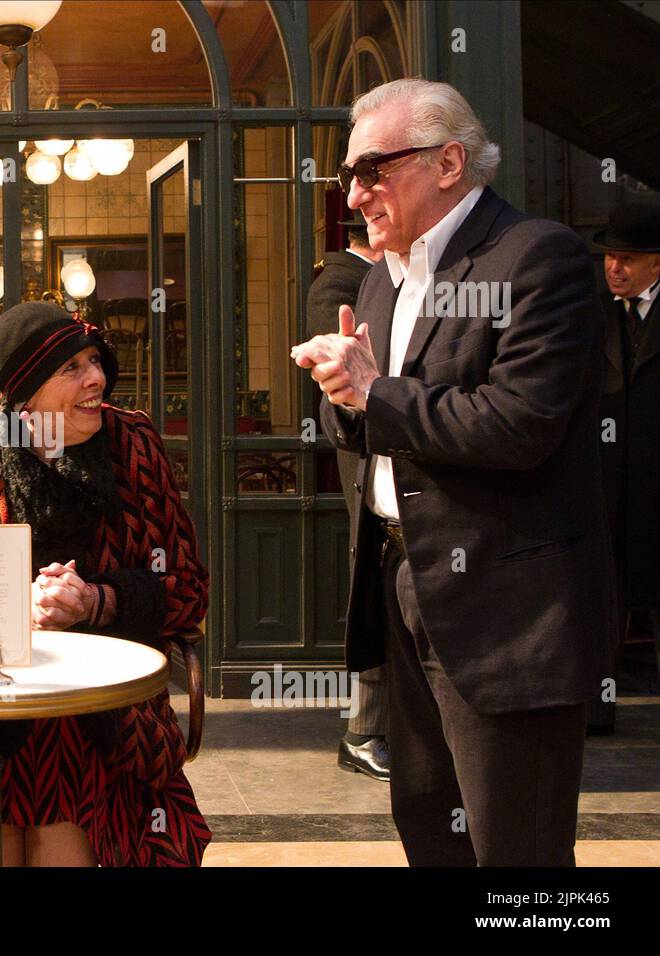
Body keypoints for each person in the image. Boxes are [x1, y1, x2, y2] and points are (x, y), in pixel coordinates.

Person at [291, 79, 613, 866]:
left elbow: (521, 424)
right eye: (347, 176)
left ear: (449, 161)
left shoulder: (540, 257)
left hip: (508, 609)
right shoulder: (380, 277)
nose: (356, 193)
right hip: (404, 584)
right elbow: (376, 423)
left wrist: (375, 392)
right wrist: (345, 397)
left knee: (519, 852)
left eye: (373, 169)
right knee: (430, 825)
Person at [0, 301, 211, 867]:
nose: (97, 378)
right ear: (24, 394)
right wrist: (5, 610)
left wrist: (99, 600)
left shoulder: (133, 444)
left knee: (61, 815)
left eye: (95, 360)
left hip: (105, 702)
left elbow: (187, 589)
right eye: (71, 368)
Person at [307, 213, 390, 782]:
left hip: (393, 453)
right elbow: (341, 377)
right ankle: (363, 732)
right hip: (366, 457)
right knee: (372, 595)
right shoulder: (341, 284)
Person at [594, 203, 660, 733]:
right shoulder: (594, 315)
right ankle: (597, 708)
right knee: (602, 597)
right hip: (606, 484)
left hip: (656, 486)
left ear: (656, 265)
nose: (614, 268)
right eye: (611, 257)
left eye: (628, 259)